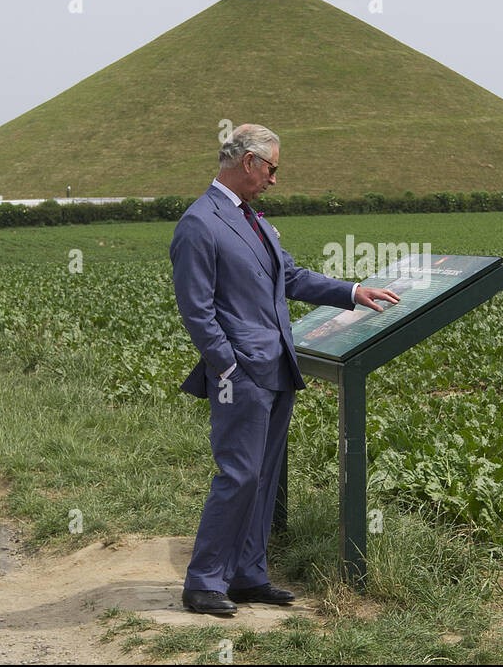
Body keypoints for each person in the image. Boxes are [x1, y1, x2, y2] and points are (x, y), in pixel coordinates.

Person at [169, 123, 400, 615]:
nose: (275, 179)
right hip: (241, 375)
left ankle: (248, 576)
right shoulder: (200, 222)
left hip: (276, 368)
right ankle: (204, 580)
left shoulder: (251, 219)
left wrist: (352, 292)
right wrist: (227, 366)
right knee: (239, 474)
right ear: (249, 162)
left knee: (265, 477)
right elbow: (197, 309)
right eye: (272, 168)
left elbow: (289, 277)